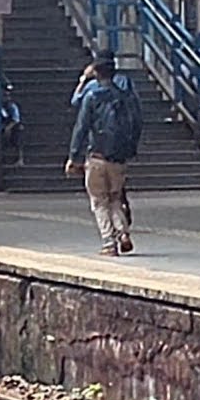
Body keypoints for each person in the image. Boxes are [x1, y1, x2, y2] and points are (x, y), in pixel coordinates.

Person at [66, 58, 141, 257]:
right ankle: (123, 232)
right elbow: (137, 121)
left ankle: (109, 242)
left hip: (97, 156)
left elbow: (81, 128)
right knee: (115, 198)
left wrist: (73, 156)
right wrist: (131, 148)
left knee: (99, 201)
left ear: (96, 73)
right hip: (119, 157)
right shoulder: (125, 96)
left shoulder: (91, 96)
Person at [0, 86, 24, 167]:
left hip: (13, 127)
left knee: (18, 135)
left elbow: (16, 119)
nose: (7, 98)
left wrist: (8, 127)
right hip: (2, 126)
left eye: (8, 96)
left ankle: (20, 159)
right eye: (5, 96)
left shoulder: (13, 107)